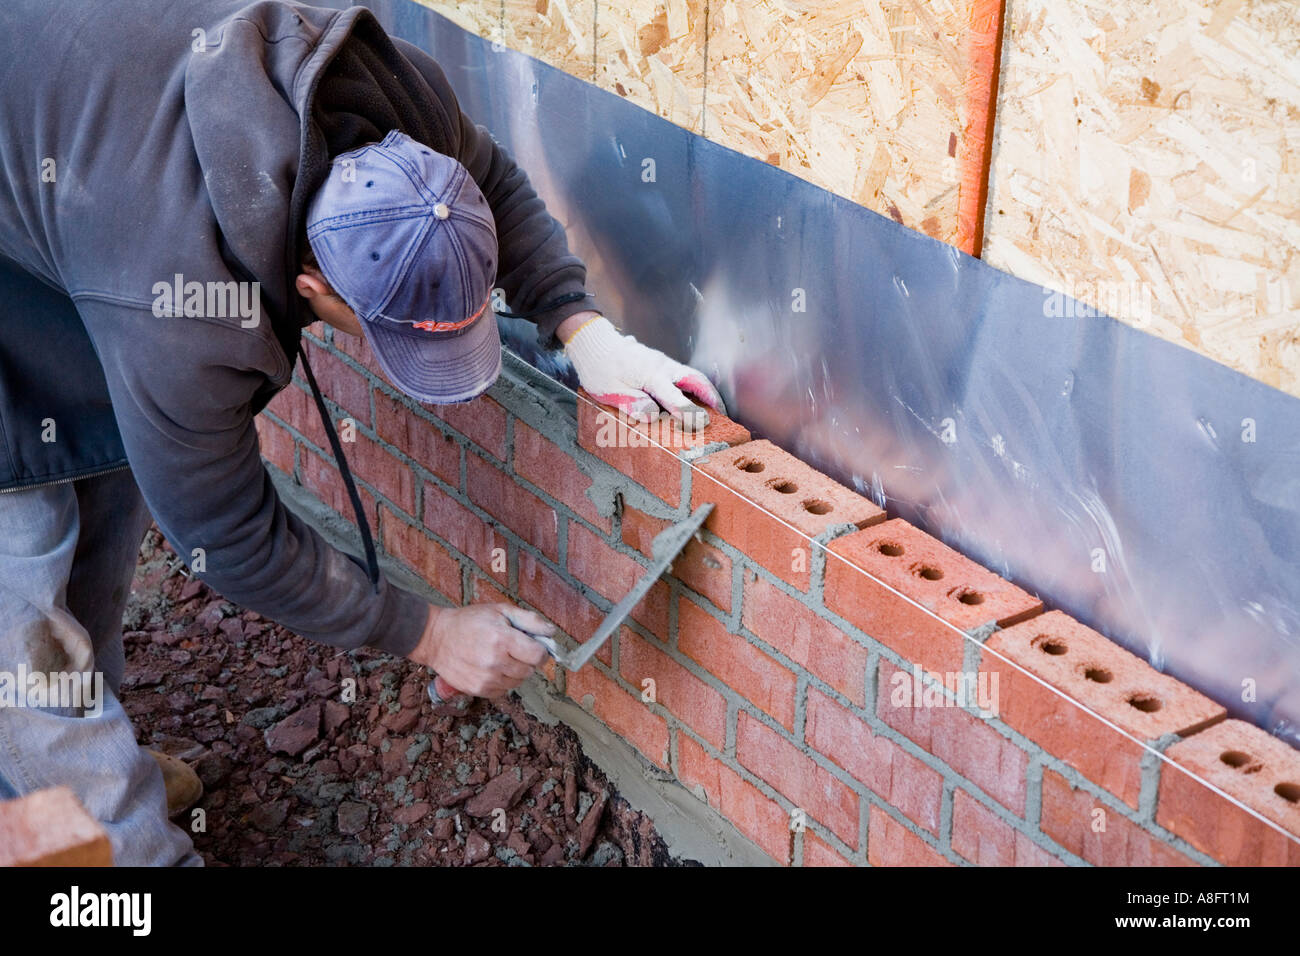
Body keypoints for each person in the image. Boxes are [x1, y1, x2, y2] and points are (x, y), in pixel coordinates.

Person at [0, 0, 724, 865]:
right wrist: (431, 634)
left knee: (105, 512)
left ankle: (89, 773)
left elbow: (486, 176)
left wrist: (586, 331)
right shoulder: (180, 314)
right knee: (25, 602)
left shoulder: (395, 100)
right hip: (68, 202)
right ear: (309, 284)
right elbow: (227, 537)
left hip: (67, 143)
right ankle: (103, 847)